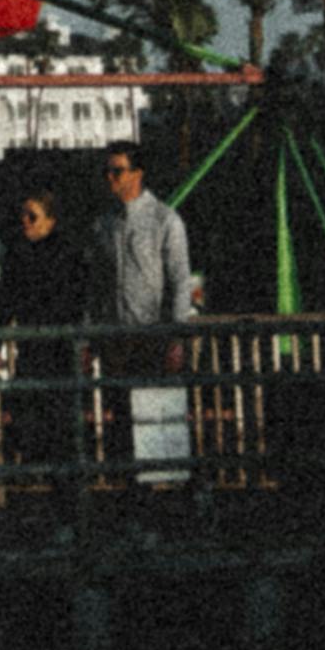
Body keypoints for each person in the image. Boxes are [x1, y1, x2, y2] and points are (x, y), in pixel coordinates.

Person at [91, 143, 198, 487]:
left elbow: (180, 281)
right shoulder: (104, 225)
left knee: (157, 421)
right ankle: (132, 503)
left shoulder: (165, 220)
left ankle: (164, 502)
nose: (110, 177)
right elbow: (97, 283)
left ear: (137, 174)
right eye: (108, 170)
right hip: (116, 337)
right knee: (122, 422)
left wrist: (176, 336)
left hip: (153, 336)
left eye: (117, 170)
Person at [0, 177, 83, 484]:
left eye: (33, 216)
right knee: (27, 420)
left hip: (60, 348)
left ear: (50, 220)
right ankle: (35, 486)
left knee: (60, 424)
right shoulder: (16, 253)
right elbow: (5, 300)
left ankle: (64, 497)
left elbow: (79, 299)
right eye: (24, 216)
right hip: (31, 348)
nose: (25, 222)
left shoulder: (67, 253)